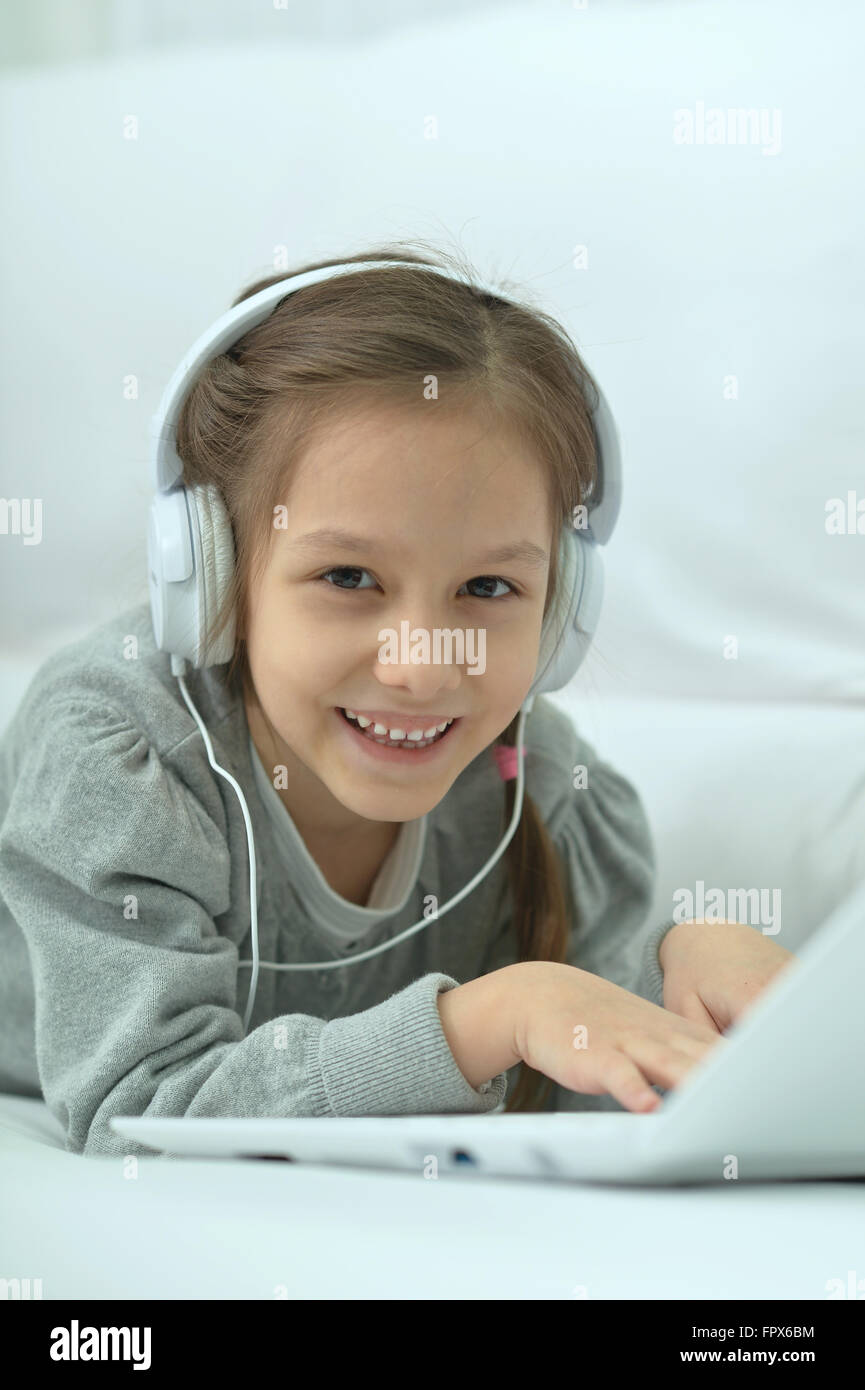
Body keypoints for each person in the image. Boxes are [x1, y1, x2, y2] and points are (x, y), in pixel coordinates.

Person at [0, 243, 794, 1156]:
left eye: (488, 589)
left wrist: (676, 988)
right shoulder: (118, 756)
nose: (421, 666)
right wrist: (486, 1021)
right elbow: (140, 1114)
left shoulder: (539, 793)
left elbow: (576, 1076)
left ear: (564, 605)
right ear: (211, 577)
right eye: (349, 576)